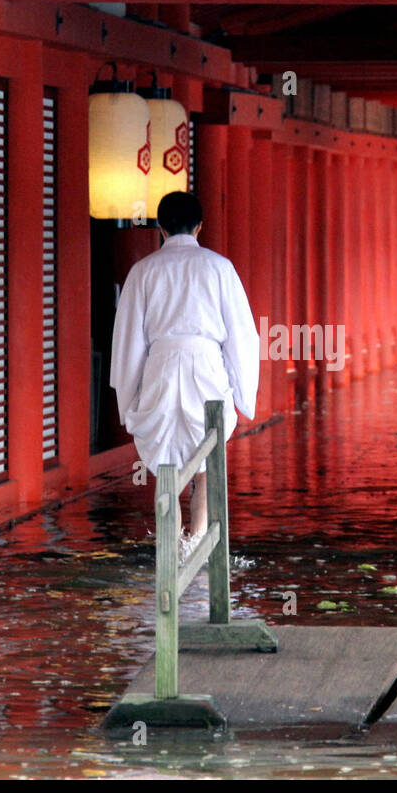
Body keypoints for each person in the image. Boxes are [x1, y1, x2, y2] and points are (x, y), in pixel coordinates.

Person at [109, 191, 260, 559]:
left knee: (165, 461)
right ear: (200, 226)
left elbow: (128, 340)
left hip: (161, 369)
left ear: (160, 228)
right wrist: (243, 394)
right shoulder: (219, 267)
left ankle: (169, 551)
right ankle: (197, 547)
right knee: (207, 460)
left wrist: (129, 401)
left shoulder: (143, 271)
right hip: (207, 368)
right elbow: (243, 335)